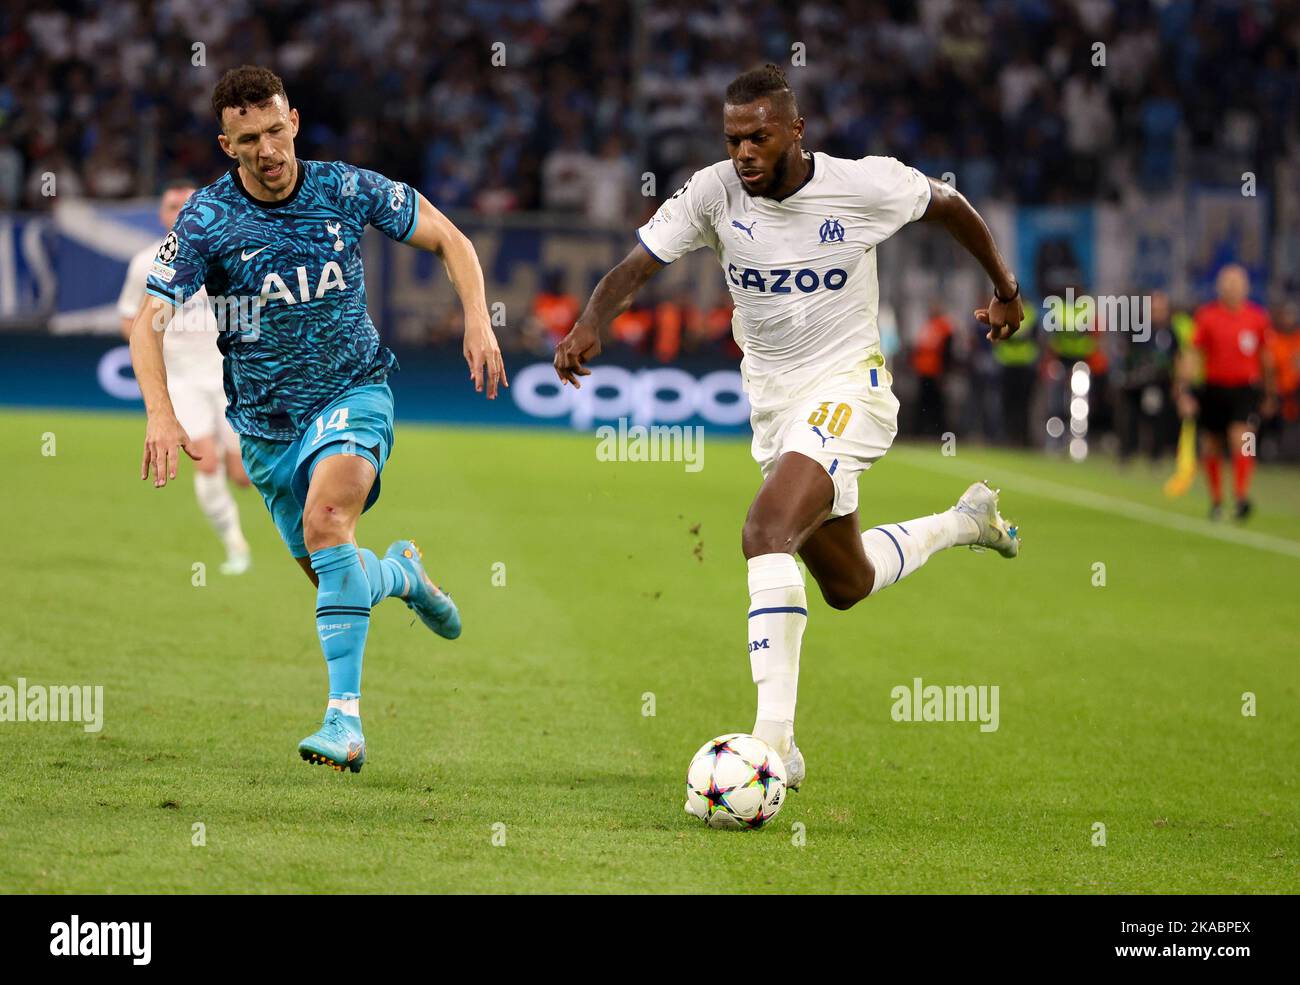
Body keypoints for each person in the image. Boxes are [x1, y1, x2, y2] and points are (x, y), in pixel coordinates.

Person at [553, 65, 1022, 800]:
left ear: (795, 132)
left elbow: (950, 204)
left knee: (765, 529)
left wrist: (1004, 288)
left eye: (759, 136)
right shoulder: (713, 192)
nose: (743, 151)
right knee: (847, 583)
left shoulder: (864, 186)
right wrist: (589, 322)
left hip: (851, 389)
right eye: (733, 137)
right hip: (775, 406)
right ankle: (965, 522)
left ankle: (772, 747)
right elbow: (639, 262)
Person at [127, 66, 507, 772]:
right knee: (341, 574)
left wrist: (478, 321)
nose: (268, 149)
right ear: (227, 145)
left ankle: (344, 723)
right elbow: (147, 323)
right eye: (249, 139)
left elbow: (451, 239)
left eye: (276, 130)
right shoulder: (208, 220)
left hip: (354, 393)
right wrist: (160, 410)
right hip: (267, 432)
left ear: (294, 120)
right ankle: (403, 576)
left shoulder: (345, 187)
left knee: (328, 523)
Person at [118, 179, 252, 575]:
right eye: (171, 205)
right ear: (161, 215)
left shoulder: (225, 255)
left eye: (186, 205)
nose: (178, 211)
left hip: (228, 375)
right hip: (182, 382)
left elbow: (247, 311)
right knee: (206, 462)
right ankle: (235, 547)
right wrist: (155, 345)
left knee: (244, 475)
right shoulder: (146, 263)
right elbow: (131, 319)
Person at [1176, 265, 1276, 520]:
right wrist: (1184, 389)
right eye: (1227, 282)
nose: (1232, 287)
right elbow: (1192, 352)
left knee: (1244, 440)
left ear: (1246, 287)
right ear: (1219, 287)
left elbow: (1266, 357)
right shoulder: (1207, 316)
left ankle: (1242, 494)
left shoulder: (1257, 317)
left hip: (1246, 389)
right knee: (1212, 445)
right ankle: (1217, 500)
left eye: (1237, 282)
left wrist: (1269, 392)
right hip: (1214, 388)